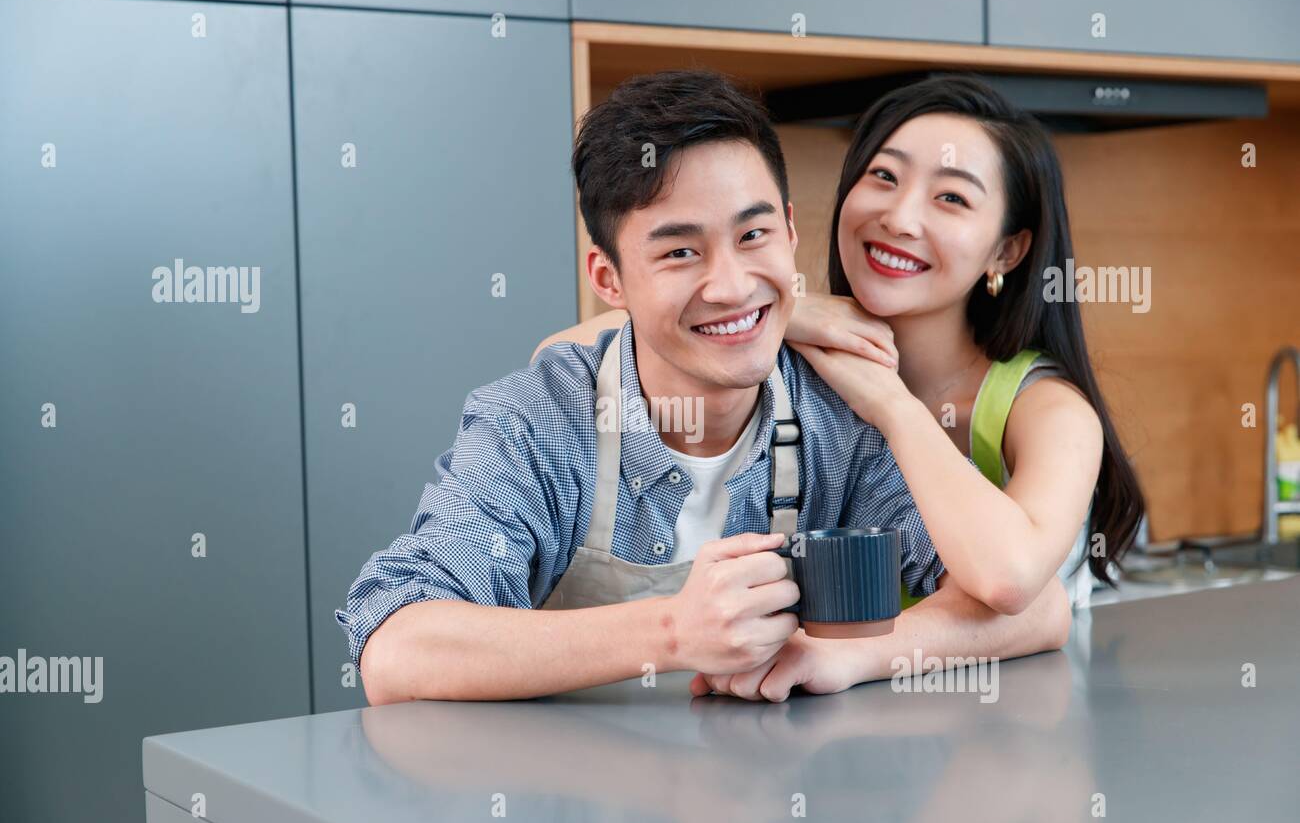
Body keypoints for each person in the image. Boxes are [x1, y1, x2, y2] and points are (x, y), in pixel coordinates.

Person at [339, 70, 1071, 705]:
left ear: (789, 231)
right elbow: (398, 649)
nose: (729, 285)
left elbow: (1030, 607)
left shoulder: (837, 422)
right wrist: (672, 631)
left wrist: (844, 658)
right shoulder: (539, 423)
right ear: (607, 278)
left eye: (753, 236)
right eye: (681, 251)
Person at [536, 74, 1145, 623]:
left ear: (1006, 251)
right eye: (883, 176)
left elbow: (1012, 588)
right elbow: (565, 354)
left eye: (951, 197)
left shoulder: (1047, 411)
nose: (900, 217)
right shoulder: (790, 357)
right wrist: (784, 311)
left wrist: (889, 402)